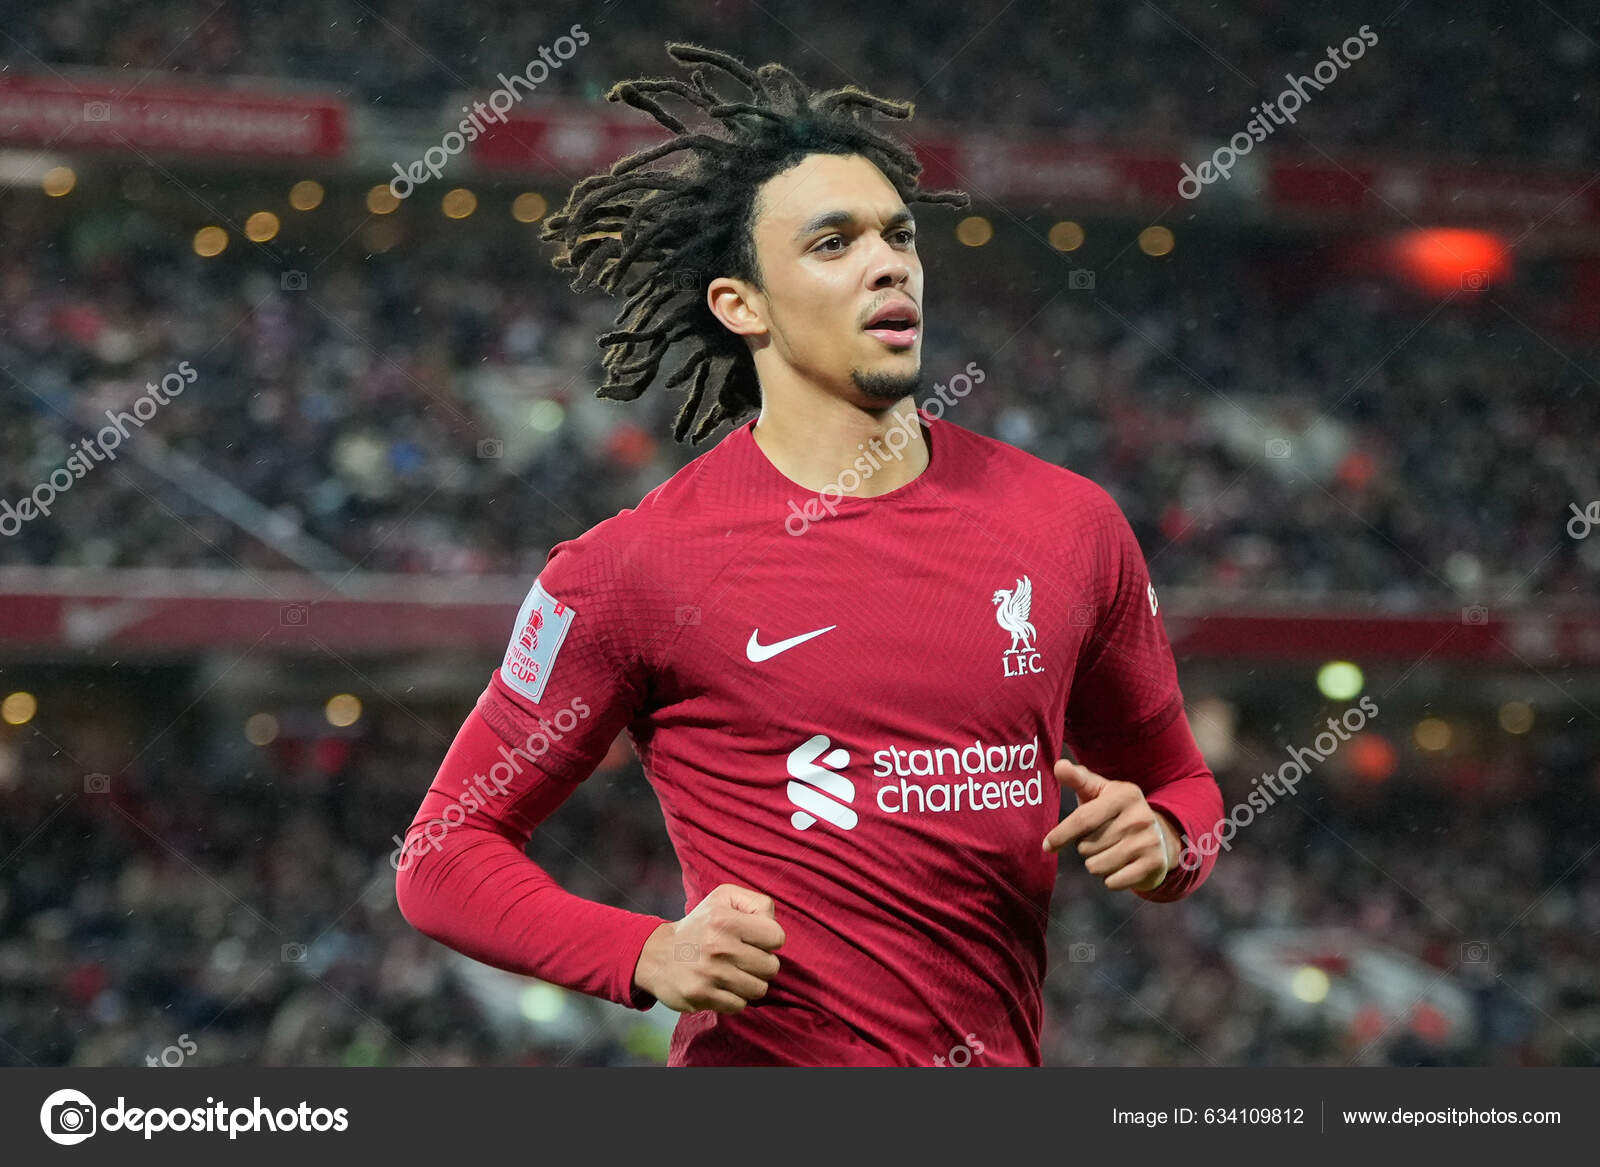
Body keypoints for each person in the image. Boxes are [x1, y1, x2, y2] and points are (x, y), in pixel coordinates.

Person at [394, 41, 1223, 1067]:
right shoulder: (634, 568)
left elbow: (1182, 786)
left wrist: (1168, 843)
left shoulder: (1071, 525)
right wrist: (644, 952)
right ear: (741, 304)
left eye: (898, 235)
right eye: (833, 243)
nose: (889, 262)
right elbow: (441, 854)